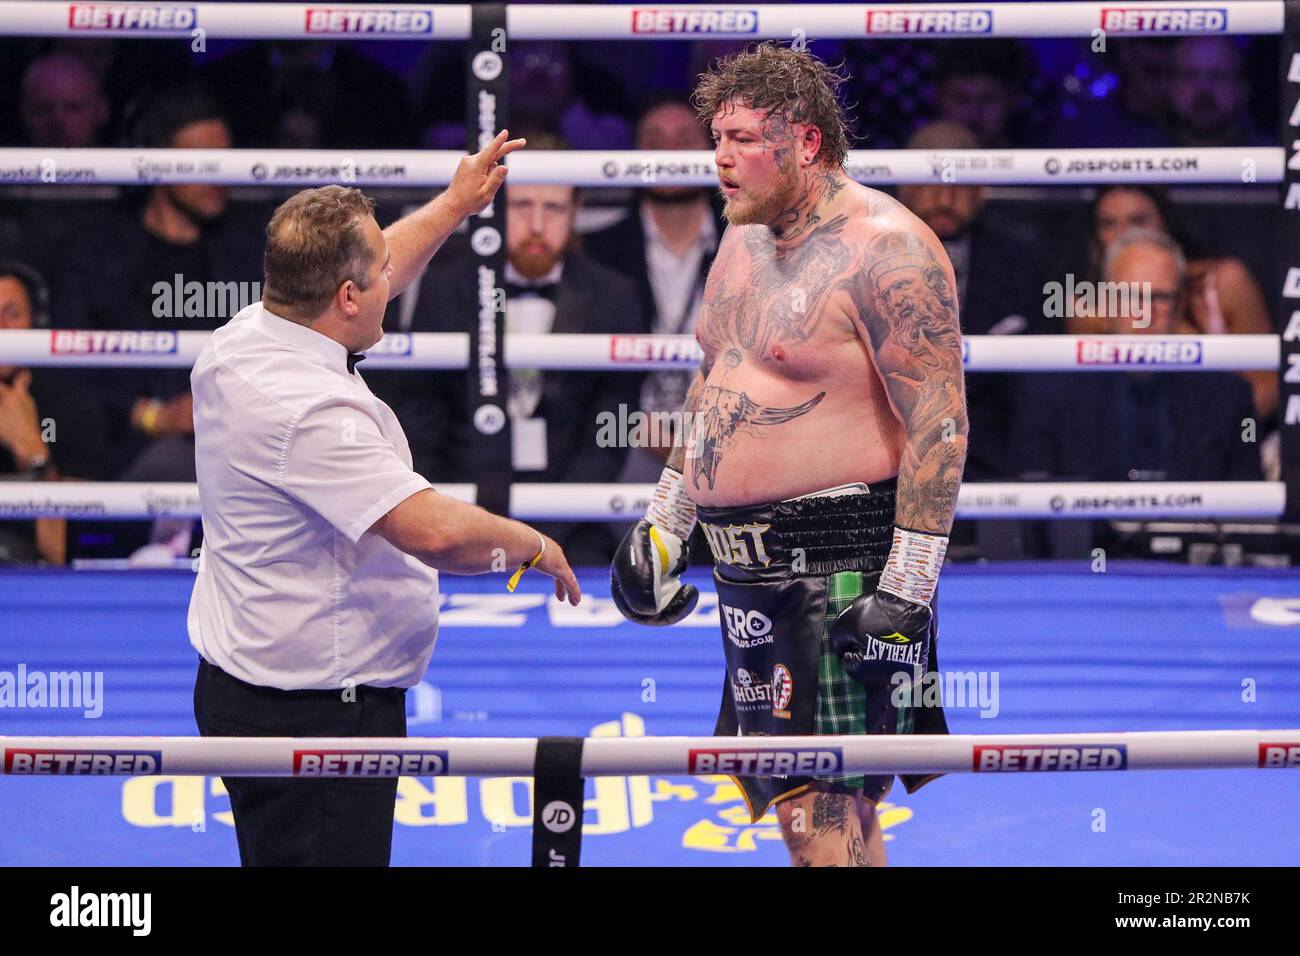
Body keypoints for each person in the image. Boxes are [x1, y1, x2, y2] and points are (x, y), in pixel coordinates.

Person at [610, 43, 966, 867]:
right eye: (717, 137)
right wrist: (664, 527)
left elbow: (939, 424)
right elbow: (719, 386)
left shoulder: (889, 250)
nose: (719, 157)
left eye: (740, 138)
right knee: (828, 815)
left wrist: (906, 594)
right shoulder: (743, 237)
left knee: (818, 817)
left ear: (805, 143)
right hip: (748, 572)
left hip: (841, 567)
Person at [188, 133, 581, 867]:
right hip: (313, 708)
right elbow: (430, 532)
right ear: (345, 297)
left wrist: (458, 203)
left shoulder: (247, 334)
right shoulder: (310, 412)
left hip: (259, 684)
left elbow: (379, 262)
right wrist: (532, 544)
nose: (391, 282)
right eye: (375, 280)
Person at [388, 131, 648, 565]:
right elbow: (422, 411)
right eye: (523, 206)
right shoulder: (447, 286)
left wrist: (550, 527)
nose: (538, 225)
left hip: (574, 519)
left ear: (576, 212)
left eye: (554, 208)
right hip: (462, 510)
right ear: (495, 207)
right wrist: (446, 509)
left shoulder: (613, 295)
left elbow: (612, 425)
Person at [1013, 229, 1261, 554]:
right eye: (1132, 296)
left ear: (1181, 303)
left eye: (1160, 297)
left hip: (1193, 577)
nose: (1145, 313)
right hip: (1079, 576)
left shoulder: (1227, 396)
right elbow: (1029, 522)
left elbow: (1248, 520)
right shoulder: (1049, 392)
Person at [584, 96, 727, 483]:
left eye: (685, 140)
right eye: (655, 140)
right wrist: (638, 426)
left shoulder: (750, 242)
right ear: (635, 152)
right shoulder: (598, 250)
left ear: (712, 150)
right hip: (623, 433)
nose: (670, 154)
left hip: (731, 435)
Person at [1073, 185, 1276, 424]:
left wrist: (1222, 434)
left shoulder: (1223, 281)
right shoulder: (1086, 305)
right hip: (1127, 439)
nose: (1124, 234)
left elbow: (1267, 386)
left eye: (1138, 220)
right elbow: (1080, 402)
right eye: (1109, 224)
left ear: (1165, 221)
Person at [0, 261, 108, 564]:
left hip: (35, 583)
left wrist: (33, 451)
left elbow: (61, 554)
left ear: (36, 322)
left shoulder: (71, 406)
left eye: (12, 314)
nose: (1, 330)